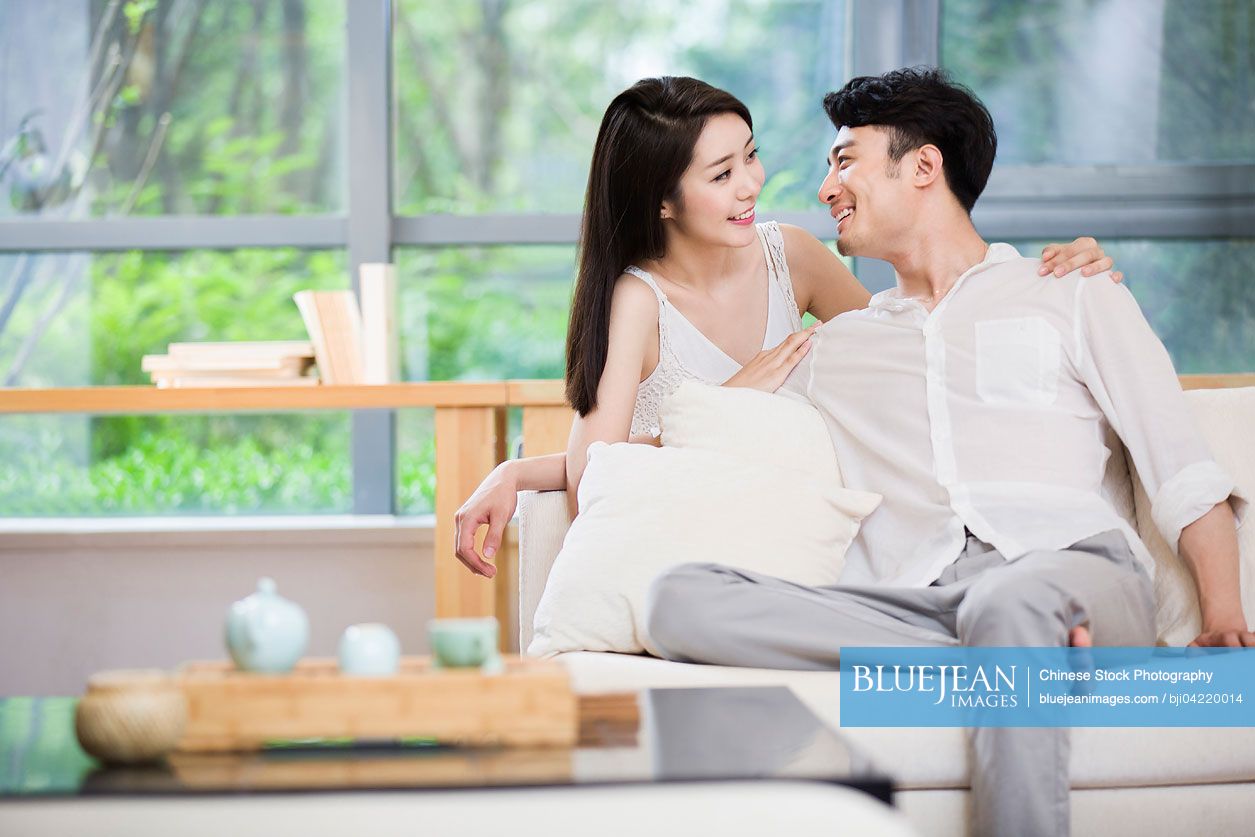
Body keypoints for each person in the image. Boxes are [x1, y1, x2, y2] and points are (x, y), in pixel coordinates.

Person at [642, 67, 1254, 837]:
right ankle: (1017, 661)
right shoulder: (835, 347)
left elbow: (1181, 464)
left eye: (844, 159)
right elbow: (703, 427)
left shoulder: (1068, 290)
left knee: (1011, 601)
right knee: (678, 597)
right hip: (915, 596)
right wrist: (520, 473)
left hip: (1071, 573)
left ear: (923, 166)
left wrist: (1224, 614)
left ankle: (1013, 643)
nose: (825, 186)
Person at [453, 76, 1120, 574]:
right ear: (660, 200)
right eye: (721, 173)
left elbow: (915, 349)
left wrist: (1036, 278)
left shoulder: (791, 255)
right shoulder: (636, 300)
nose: (751, 183)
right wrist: (725, 406)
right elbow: (595, 474)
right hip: (708, 539)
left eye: (750, 155)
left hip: (812, 539)